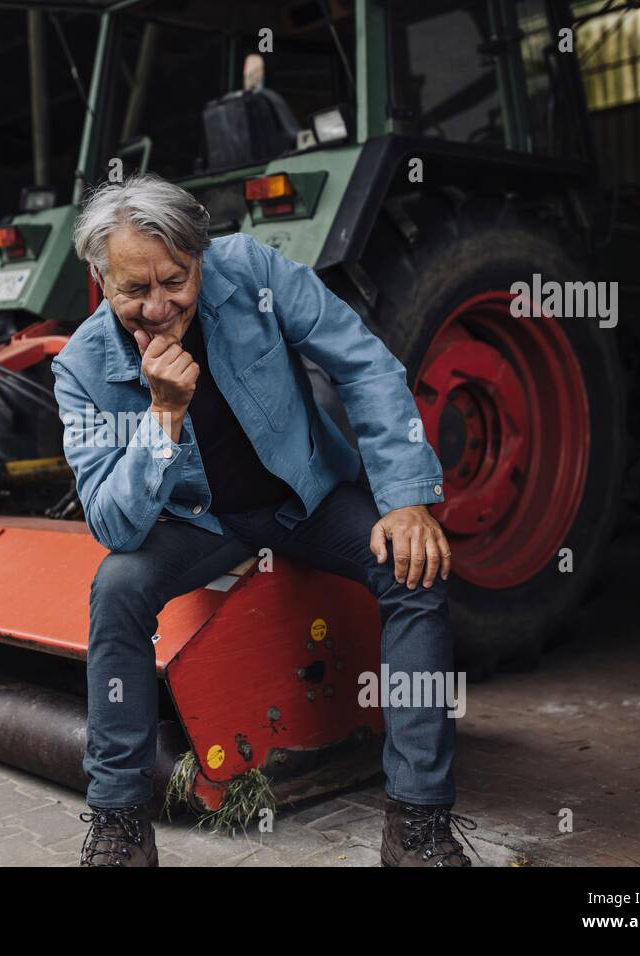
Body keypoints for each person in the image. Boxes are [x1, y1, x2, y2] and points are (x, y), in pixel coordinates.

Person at [52, 172, 476, 867]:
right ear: (99, 277)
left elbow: (364, 363)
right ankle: (120, 823)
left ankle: (418, 822)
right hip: (200, 524)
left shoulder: (252, 272)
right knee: (116, 589)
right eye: (135, 290)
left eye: (175, 280)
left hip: (302, 498)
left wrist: (405, 496)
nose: (159, 307)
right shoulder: (82, 368)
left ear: (197, 255)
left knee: (415, 569)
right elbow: (114, 525)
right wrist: (163, 416)